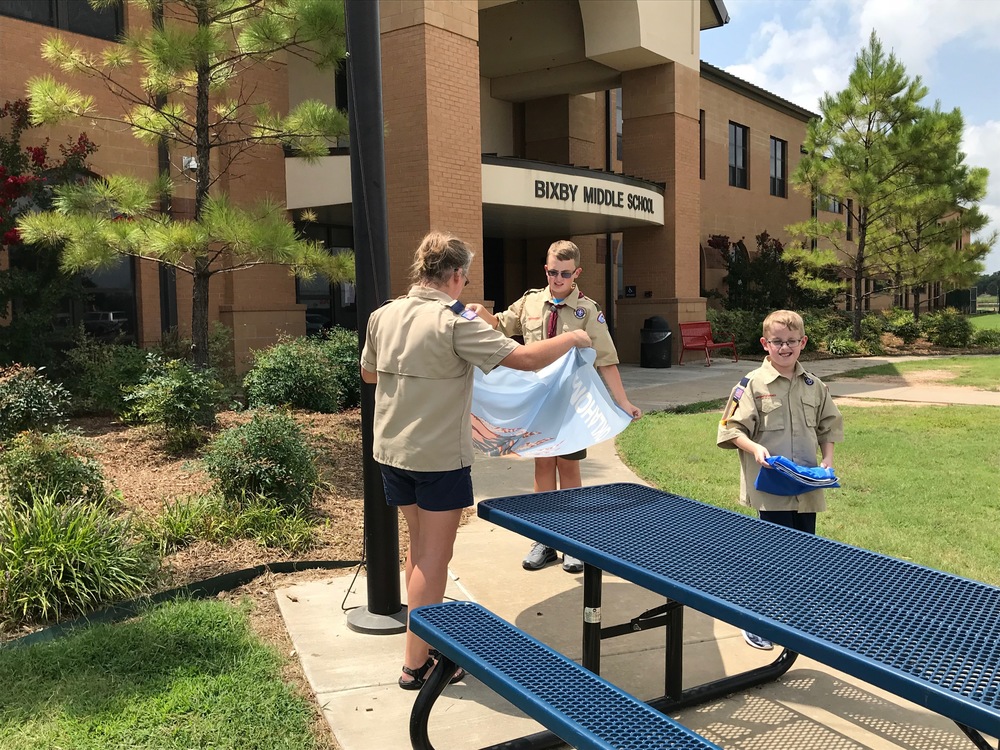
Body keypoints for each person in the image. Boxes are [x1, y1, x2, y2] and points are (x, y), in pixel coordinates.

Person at [360, 231, 592, 690]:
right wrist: (575, 338)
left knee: (418, 548)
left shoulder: (382, 315)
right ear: (458, 275)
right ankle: (416, 664)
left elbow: (369, 373)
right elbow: (524, 360)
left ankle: (420, 646)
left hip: (391, 453)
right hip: (439, 459)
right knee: (434, 556)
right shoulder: (453, 322)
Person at [467, 240, 641, 573]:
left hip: (571, 403)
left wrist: (623, 402)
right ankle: (544, 538)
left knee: (569, 468)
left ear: (576, 273)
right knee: (543, 467)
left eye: (564, 273)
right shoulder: (531, 301)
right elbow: (502, 324)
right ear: (545, 269)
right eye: (551, 272)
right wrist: (482, 313)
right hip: (538, 401)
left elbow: (606, 360)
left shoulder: (587, 311)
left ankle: (572, 539)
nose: (557, 278)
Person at [716, 309, 844, 650]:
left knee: (804, 553)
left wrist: (828, 458)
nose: (784, 348)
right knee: (773, 554)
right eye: (777, 342)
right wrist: (754, 447)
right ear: (765, 343)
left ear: (802, 343)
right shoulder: (751, 385)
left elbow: (828, 425)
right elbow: (730, 428)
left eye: (791, 341)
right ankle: (757, 619)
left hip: (806, 486)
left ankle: (797, 616)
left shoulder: (814, 386)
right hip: (770, 487)